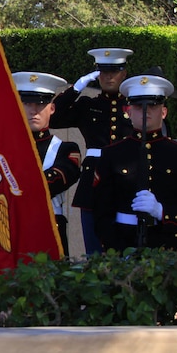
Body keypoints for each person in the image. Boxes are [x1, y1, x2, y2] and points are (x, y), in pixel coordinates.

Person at [92, 74, 177, 252]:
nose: (146, 111)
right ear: (129, 112)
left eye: (153, 105)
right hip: (124, 248)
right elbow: (101, 213)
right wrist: (116, 250)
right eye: (139, 106)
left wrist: (162, 211)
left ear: (164, 112)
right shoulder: (112, 154)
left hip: (169, 250)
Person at [50, 47, 135, 255]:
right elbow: (53, 118)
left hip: (127, 178)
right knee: (94, 250)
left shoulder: (135, 107)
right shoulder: (88, 105)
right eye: (103, 72)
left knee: (127, 250)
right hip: (93, 180)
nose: (108, 77)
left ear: (124, 73)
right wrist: (76, 88)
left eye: (114, 72)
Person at [13, 72, 82, 255]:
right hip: (11, 227)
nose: (34, 110)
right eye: (27, 103)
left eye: (41, 104)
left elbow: (59, 180)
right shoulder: (4, 148)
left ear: (52, 108)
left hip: (49, 227)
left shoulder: (65, 149)